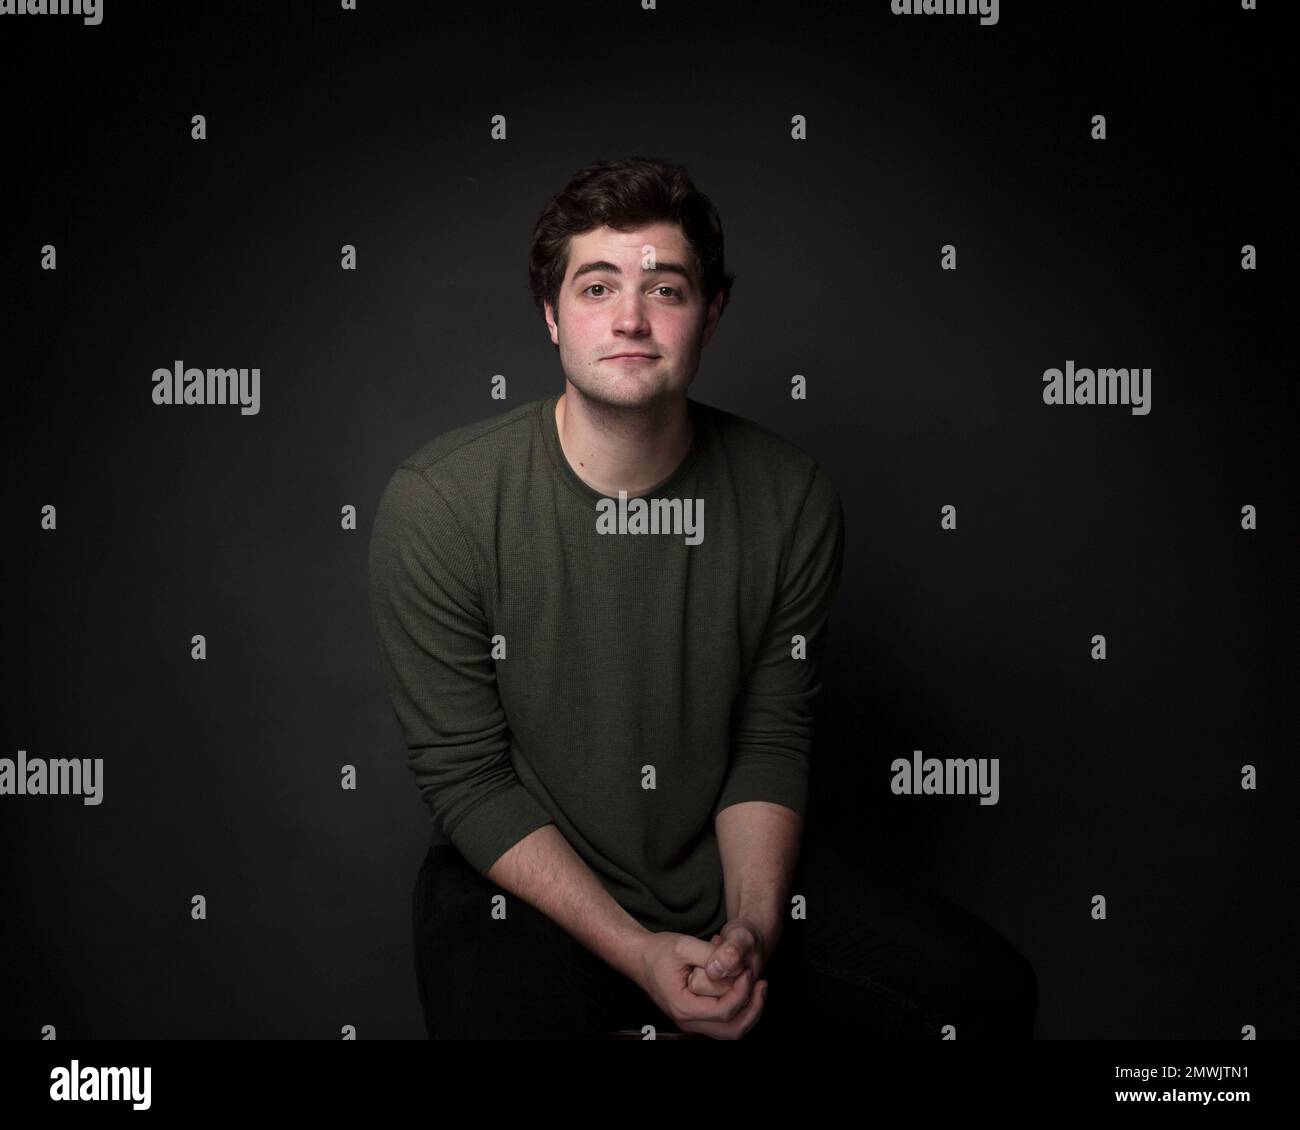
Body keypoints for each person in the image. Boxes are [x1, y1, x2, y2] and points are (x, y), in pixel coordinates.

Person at [368, 156, 1038, 1039]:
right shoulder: (441, 503)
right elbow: (469, 779)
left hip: (720, 865)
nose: (631, 319)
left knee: (982, 991)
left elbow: (770, 738)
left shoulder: (789, 498)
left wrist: (750, 932)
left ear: (712, 315)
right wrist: (641, 951)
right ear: (550, 315)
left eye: (668, 290)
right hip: (523, 879)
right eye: (597, 286)